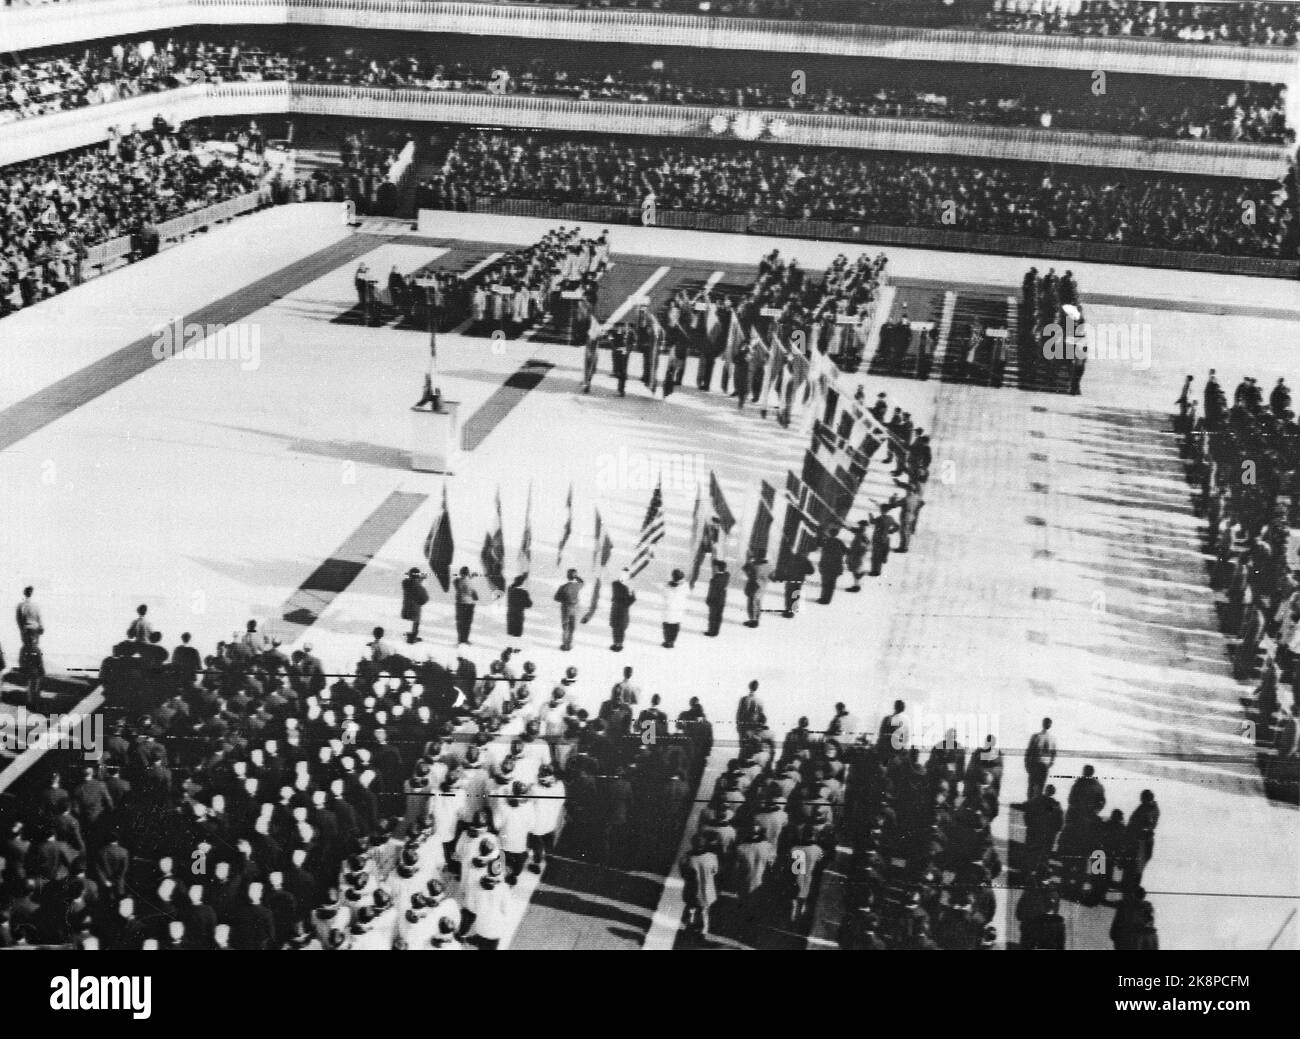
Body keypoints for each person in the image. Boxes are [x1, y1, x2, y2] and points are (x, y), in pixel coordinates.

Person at [680, 832, 719, 937]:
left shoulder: (687, 858)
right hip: (707, 890)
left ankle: (689, 926)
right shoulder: (712, 857)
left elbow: (683, 873)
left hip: (691, 890)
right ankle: (703, 930)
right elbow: (715, 871)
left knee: (691, 909)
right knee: (704, 911)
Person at [1024, 718, 1056, 802]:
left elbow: (1053, 753)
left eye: (1048, 723)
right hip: (1038, 765)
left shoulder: (1048, 738)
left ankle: (1033, 805)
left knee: (1036, 787)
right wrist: (1027, 763)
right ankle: (1032, 805)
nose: (1048, 725)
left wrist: (1050, 763)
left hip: (1040, 765)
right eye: (1047, 723)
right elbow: (1029, 751)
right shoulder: (1038, 736)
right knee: (1034, 787)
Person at [554, 569, 584, 651]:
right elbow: (582, 582)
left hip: (565, 609)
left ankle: (564, 645)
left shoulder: (563, 587)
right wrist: (576, 576)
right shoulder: (577, 586)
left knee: (565, 627)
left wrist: (563, 599)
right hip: (574, 609)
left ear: (567, 576)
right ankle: (569, 644)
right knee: (572, 627)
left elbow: (556, 598)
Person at [783, 546, 814, 617]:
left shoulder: (790, 558)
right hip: (799, 581)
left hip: (790, 580)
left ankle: (788, 610)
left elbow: (783, 567)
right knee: (795, 595)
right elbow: (811, 571)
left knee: (788, 595)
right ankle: (792, 610)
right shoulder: (805, 560)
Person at [817, 527, 846, 604]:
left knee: (825, 583)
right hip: (836, 567)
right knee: (831, 585)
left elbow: (818, 544)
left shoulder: (826, 541)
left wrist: (820, 533)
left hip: (826, 566)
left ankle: (823, 598)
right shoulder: (840, 542)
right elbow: (846, 551)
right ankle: (827, 600)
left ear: (829, 533)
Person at [609, 568, 635, 651]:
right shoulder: (627, 588)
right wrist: (632, 593)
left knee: (615, 627)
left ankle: (615, 643)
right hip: (623, 610)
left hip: (615, 608)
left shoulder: (614, 584)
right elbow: (631, 600)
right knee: (621, 629)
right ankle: (619, 644)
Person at [401, 568, 429, 644]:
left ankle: (410, 635)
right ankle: (413, 638)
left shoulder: (405, 583)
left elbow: (412, 583)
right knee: (417, 620)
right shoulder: (420, 588)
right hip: (415, 611)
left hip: (406, 609)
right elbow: (425, 599)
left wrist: (419, 579)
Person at [742, 555, 771, 627]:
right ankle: (755, 620)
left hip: (755, 586)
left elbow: (748, 573)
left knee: (752, 603)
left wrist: (748, 562)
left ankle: (753, 621)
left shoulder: (756, 567)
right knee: (757, 603)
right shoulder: (768, 566)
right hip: (761, 586)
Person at [662, 570, 688, 648]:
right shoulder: (684, 586)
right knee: (675, 626)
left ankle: (667, 641)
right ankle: (672, 641)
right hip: (679, 610)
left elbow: (663, 594)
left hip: (669, 609)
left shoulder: (667, 587)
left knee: (667, 627)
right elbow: (687, 590)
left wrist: (668, 584)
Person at [453, 568, 479, 645]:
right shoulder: (468, 582)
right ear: (467, 573)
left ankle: (460, 640)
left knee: (460, 623)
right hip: (468, 605)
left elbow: (463, 579)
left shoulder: (457, 581)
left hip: (459, 604)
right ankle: (464, 640)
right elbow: (474, 595)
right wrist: (476, 597)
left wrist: (471, 576)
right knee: (467, 623)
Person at [705, 558, 730, 636]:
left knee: (712, 617)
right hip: (722, 599)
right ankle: (716, 631)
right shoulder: (727, 575)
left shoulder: (715, 579)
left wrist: (708, 599)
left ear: (718, 568)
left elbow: (712, 591)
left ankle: (711, 631)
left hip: (714, 600)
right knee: (719, 616)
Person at [15, 586, 42, 652]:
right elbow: (39, 618)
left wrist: (22, 630)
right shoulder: (36, 605)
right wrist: (40, 627)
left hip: (26, 630)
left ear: (24, 593)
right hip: (35, 629)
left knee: (26, 649)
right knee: (35, 648)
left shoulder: (21, 605)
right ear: (32, 593)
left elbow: (18, 619)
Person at [845, 521, 869, 591]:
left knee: (856, 570)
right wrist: (844, 526)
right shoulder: (860, 532)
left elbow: (867, 545)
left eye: (862, 526)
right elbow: (852, 529)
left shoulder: (863, 535)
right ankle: (857, 583)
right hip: (855, 554)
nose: (860, 527)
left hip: (857, 555)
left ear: (864, 527)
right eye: (860, 526)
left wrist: (861, 551)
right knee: (854, 570)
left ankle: (857, 586)